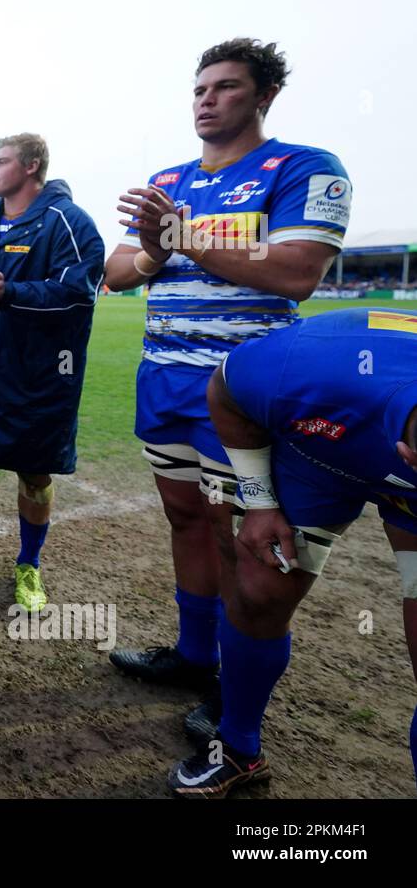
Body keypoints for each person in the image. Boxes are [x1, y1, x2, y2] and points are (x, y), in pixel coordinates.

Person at [104, 39, 353, 710]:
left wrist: (188, 238)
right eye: (199, 89)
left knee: (237, 533)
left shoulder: (303, 167)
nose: (206, 100)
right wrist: (157, 249)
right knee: (185, 518)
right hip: (163, 378)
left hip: (241, 391)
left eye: (225, 88)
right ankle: (193, 656)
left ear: (264, 95)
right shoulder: (170, 180)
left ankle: (234, 688)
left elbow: (296, 272)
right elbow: (116, 272)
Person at [167, 308, 417, 796]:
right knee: (259, 590)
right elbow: (224, 389)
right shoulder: (300, 368)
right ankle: (238, 746)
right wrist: (259, 502)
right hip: (322, 454)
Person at [0, 133, 105, 612]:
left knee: (33, 470)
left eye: (2, 161)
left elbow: (79, 292)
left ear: (31, 167)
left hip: (35, 375)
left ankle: (29, 564)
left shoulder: (68, 223)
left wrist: (11, 295)